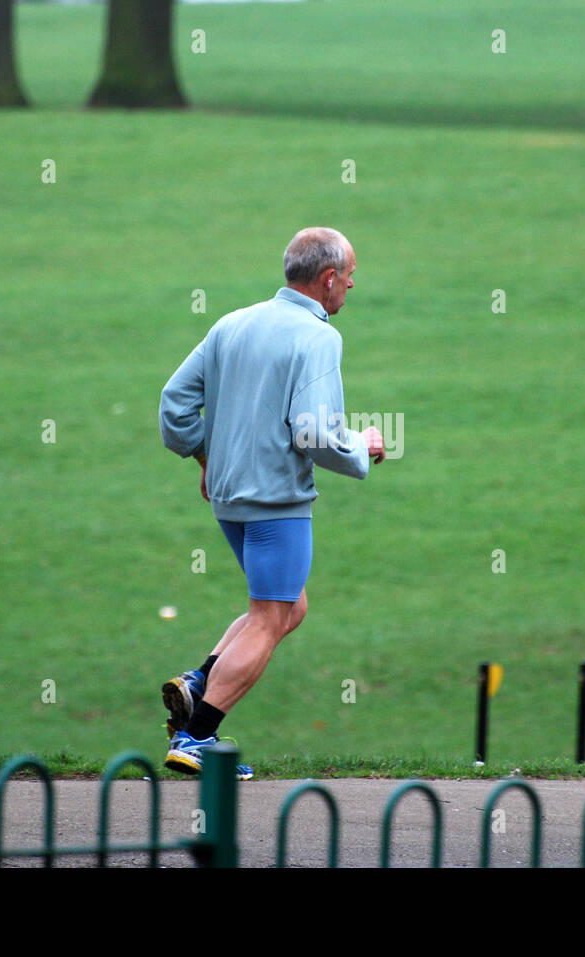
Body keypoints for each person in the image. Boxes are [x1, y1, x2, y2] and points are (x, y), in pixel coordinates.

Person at [157, 227, 385, 780]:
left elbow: (174, 405)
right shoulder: (318, 337)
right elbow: (312, 432)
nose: (352, 284)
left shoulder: (232, 323)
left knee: (289, 607)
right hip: (276, 501)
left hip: (228, 498)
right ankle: (197, 737)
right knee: (268, 618)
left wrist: (205, 459)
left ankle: (197, 680)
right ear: (327, 278)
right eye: (349, 275)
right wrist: (363, 446)